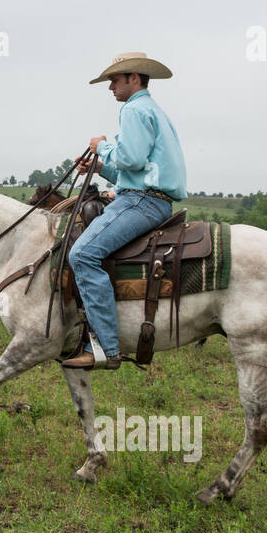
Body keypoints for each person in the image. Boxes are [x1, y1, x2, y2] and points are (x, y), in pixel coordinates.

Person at [62, 52, 188, 370]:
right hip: (145, 196)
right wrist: (100, 166)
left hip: (141, 202)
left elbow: (130, 159)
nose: (110, 88)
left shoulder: (134, 109)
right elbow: (130, 172)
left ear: (134, 78)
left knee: (82, 255)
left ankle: (105, 347)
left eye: (114, 80)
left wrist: (100, 146)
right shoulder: (153, 112)